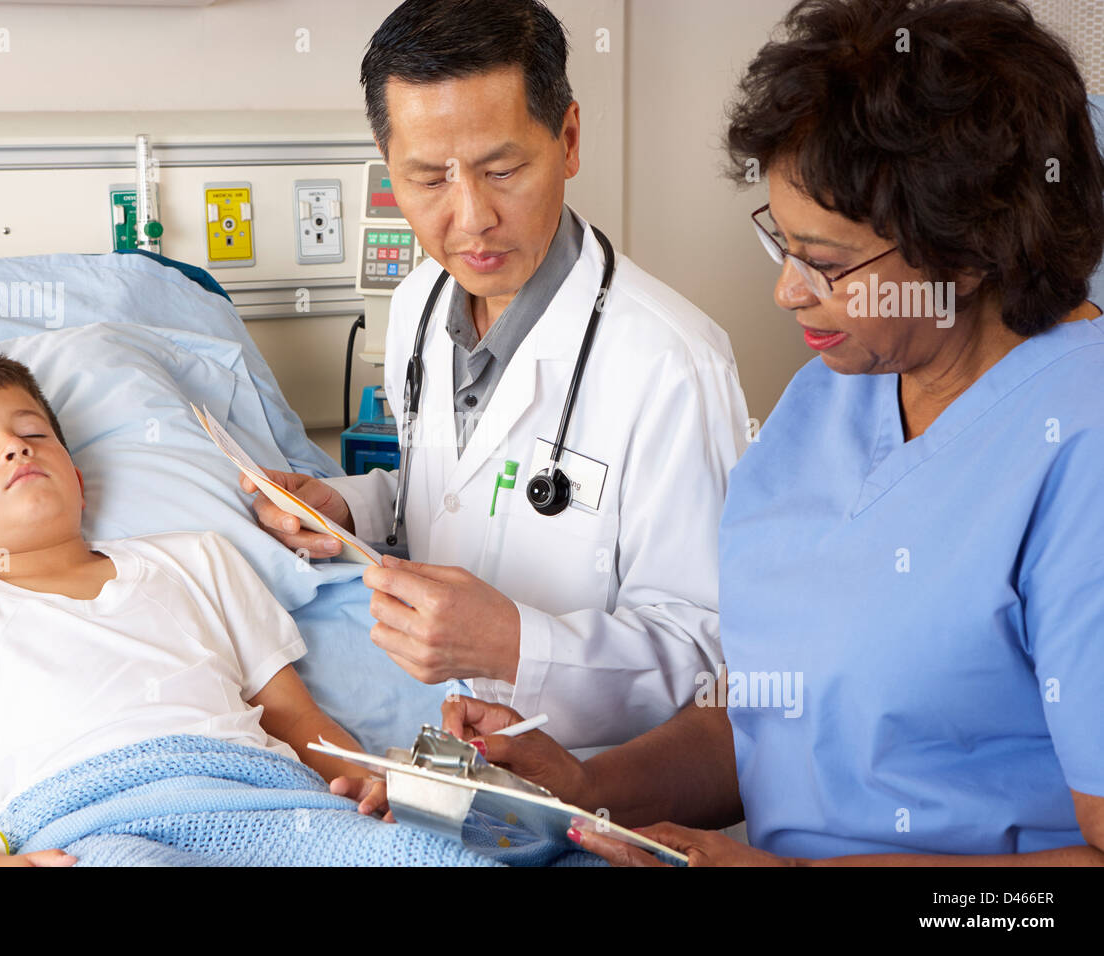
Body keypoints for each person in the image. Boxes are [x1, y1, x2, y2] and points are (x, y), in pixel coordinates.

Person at [438, 0, 1104, 865]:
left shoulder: (1077, 450)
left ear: (972, 251)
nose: (788, 293)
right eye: (780, 244)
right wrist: (585, 790)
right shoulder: (825, 401)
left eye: (825, 264)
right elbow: (771, 718)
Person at [241, 0, 749, 760]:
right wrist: (346, 506)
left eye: (501, 169)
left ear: (568, 140)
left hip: (601, 782)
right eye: (428, 178)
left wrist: (515, 646)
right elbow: (447, 494)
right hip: (441, 748)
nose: (471, 217)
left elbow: (709, 658)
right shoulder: (418, 303)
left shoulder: (674, 364)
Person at [0, 348, 388, 866]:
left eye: (32, 433)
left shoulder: (197, 558)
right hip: (82, 831)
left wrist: (373, 786)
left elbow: (296, 719)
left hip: (272, 805)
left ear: (77, 481)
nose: (15, 447)